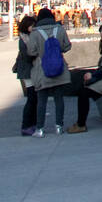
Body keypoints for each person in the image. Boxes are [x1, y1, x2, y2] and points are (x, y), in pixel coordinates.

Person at [28, 7, 72, 136]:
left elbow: (31, 51)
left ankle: (40, 129)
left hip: (42, 70)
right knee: (59, 99)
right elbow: (67, 46)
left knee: (42, 101)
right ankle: (59, 126)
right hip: (59, 69)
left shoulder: (35, 33)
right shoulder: (60, 29)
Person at [12, 14, 37, 135]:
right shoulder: (24, 39)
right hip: (27, 71)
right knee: (32, 98)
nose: (34, 27)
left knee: (33, 98)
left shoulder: (27, 37)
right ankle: (26, 125)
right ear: (26, 26)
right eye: (32, 26)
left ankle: (31, 124)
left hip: (29, 70)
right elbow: (27, 55)